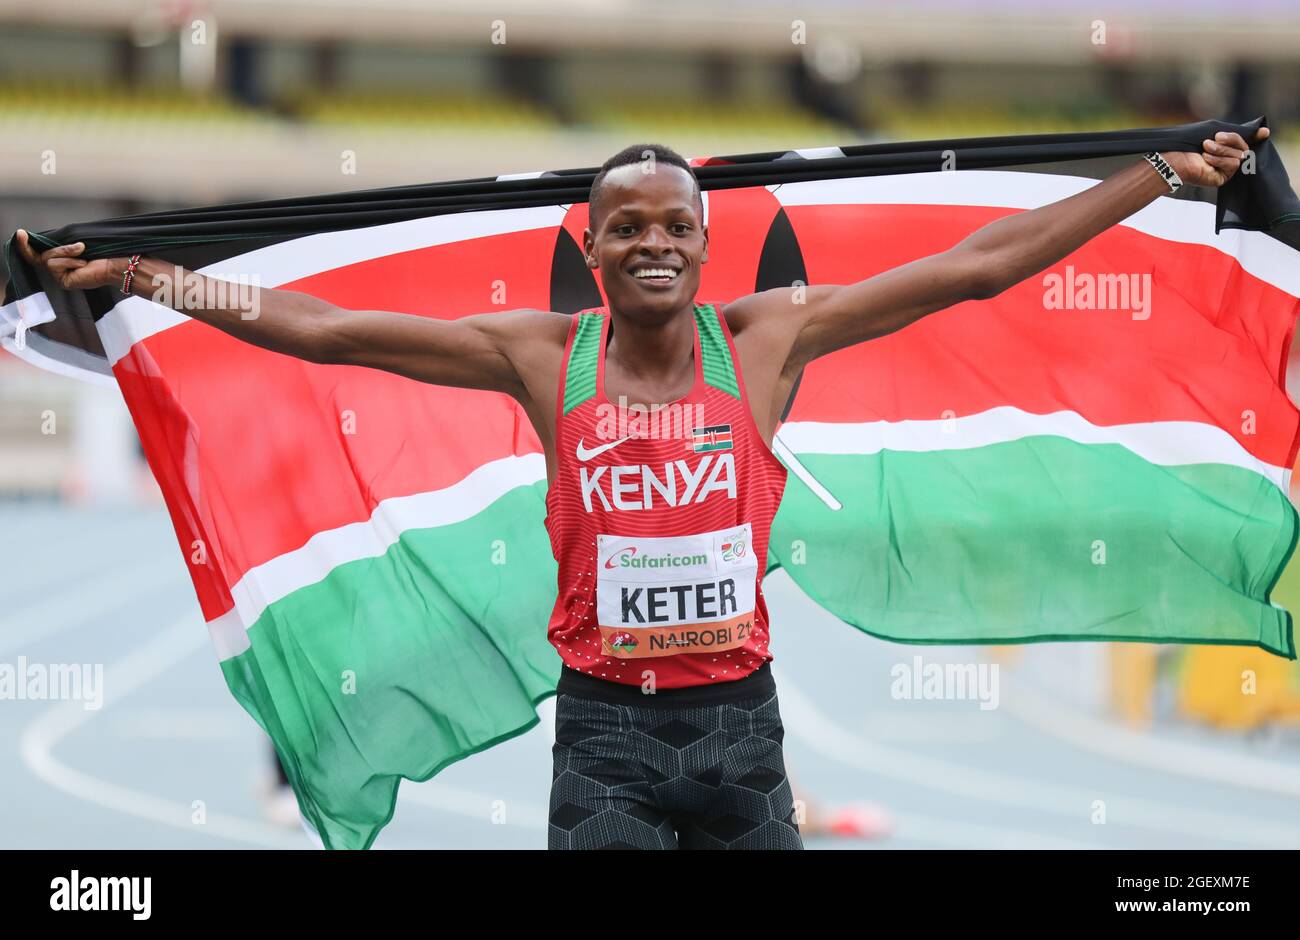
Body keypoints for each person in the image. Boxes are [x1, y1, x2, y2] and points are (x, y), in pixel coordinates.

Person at [17, 128, 1266, 850]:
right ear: (592, 247)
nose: (655, 241)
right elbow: (329, 329)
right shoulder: (532, 356)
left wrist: (1154, 178)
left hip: (742, 730)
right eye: (629, 227)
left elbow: (981, 265)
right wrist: (143, 274)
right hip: (605, 736)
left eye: (676, 224)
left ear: (703, 244)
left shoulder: (768, 337)